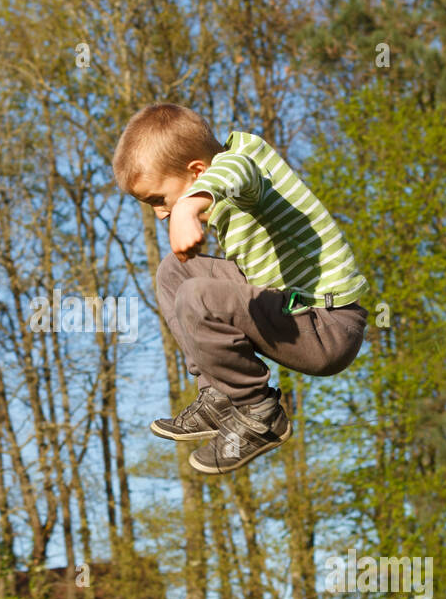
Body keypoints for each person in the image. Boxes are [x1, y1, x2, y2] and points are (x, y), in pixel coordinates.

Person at [112, 103, 371, 474]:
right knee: (175, 273)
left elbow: (237, 172)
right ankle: (218, 394)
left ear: (198, 172)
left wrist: (187, 208)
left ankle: (260, 413)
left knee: (196, 296)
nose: (160, 213)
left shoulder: (244, 165)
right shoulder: (228, 169)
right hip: (292, 308)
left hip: (326, 326)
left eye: (158, 199)